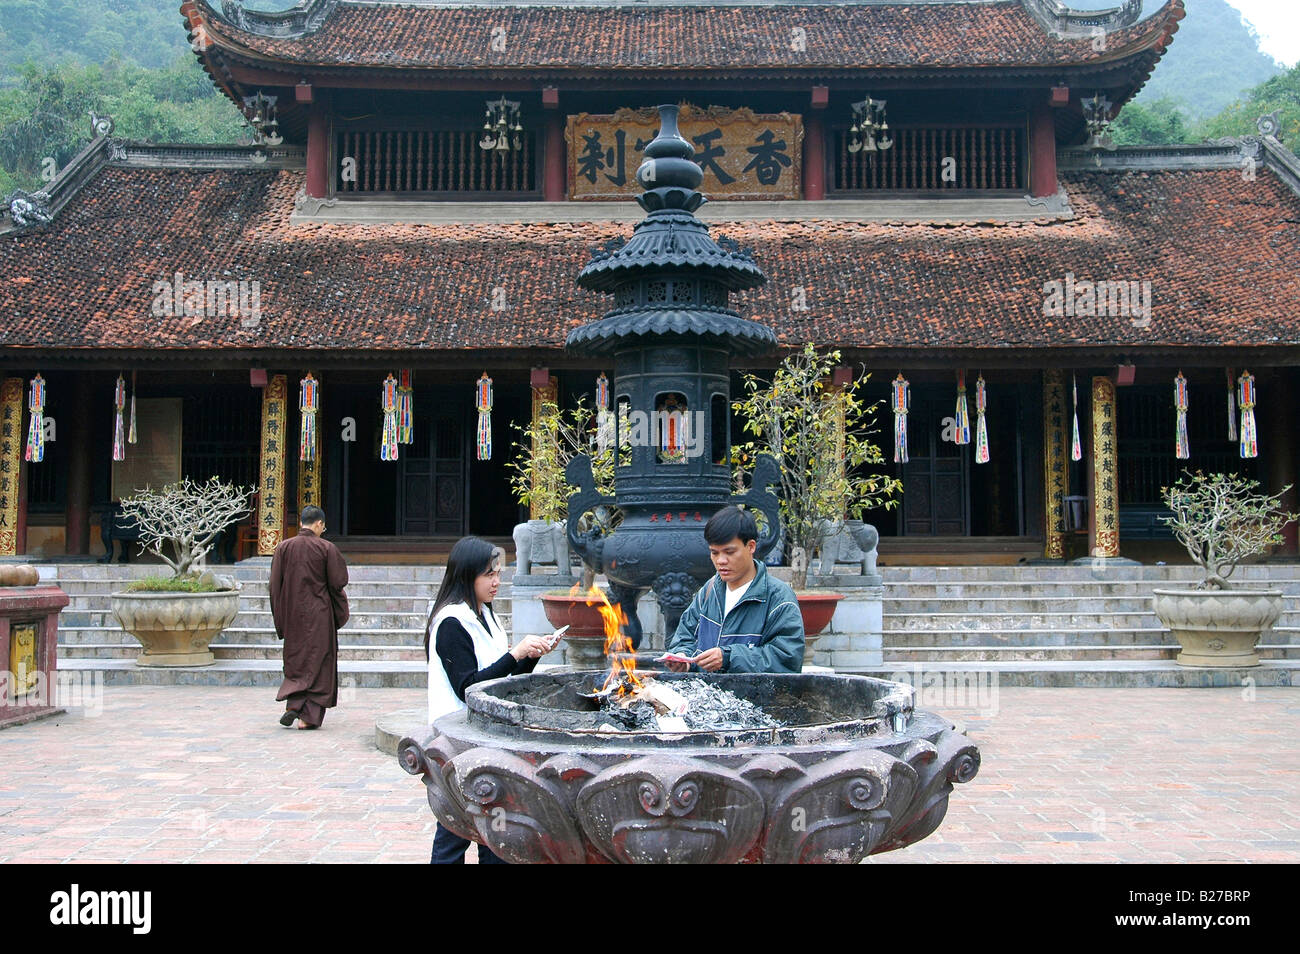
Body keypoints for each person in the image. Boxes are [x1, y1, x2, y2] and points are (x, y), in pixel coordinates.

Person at [426, 536, 554, 864]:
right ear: (467, 576)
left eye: (498, 574)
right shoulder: (452, 622)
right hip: (458, 745)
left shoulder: (484, 613)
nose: (496, 582)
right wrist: (515, 653)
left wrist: (531, 655)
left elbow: (499, 681)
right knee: (454, 832)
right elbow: (468, 687)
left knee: (495, 834)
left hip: (487, 740)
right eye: (489, 575)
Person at [663, 506, 804, 674]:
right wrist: (683, 657)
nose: (721, 561)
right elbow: (684, 637)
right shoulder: (710, 590)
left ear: (751, 546)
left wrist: (729, 657)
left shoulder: (778, 598)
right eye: (714, 553)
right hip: (705, 690)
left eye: (729, 552)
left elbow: (787, 659)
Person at [270, 505, 350, 729]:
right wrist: (340, 612)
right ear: (319, 524)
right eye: (323, 527)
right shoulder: (326, 548)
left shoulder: (283, 548)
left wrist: (280, 618)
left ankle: (294, 705)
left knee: (296, 660)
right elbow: (337, 582)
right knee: (319, 662)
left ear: (301, 522)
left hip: (293, 615)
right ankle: (307, 718)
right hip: (320, 615)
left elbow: (274, 586)